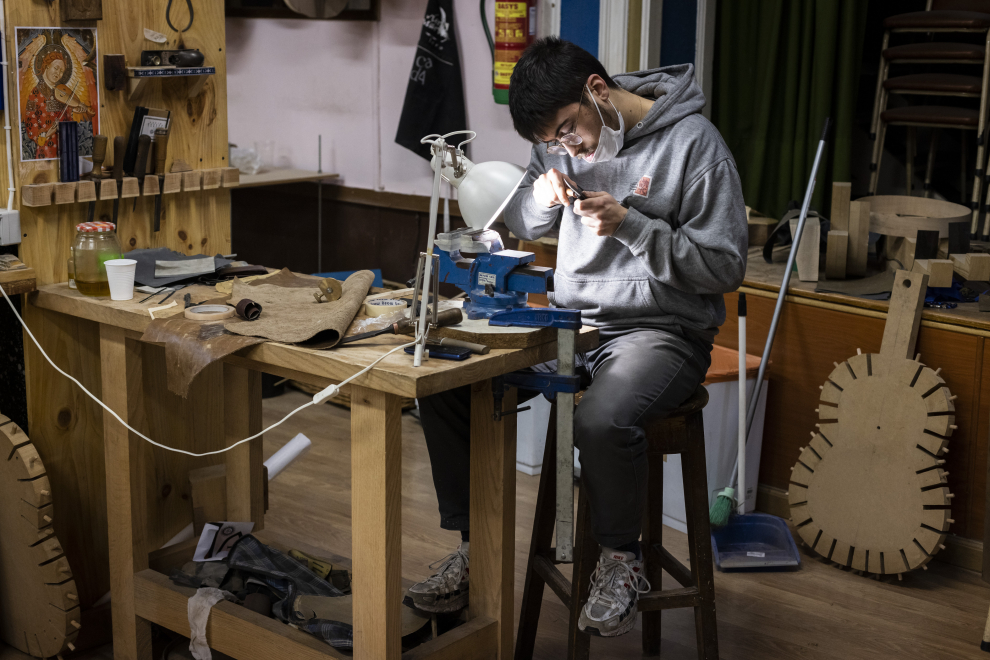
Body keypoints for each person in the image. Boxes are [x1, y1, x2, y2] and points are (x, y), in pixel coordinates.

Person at [406, 37, 748, 639]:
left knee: (602, 421)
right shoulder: (556, 149)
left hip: (659, 331)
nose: (570, 148)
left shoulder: (695, 145)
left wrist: (634, 227)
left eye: (569, 131)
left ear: (597, 89)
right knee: (445, 383)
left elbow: (723, 268)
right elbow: (529, 222)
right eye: (551, 143)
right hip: (571, 325)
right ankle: (473, 547)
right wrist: (539, 196)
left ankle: (621, 559)